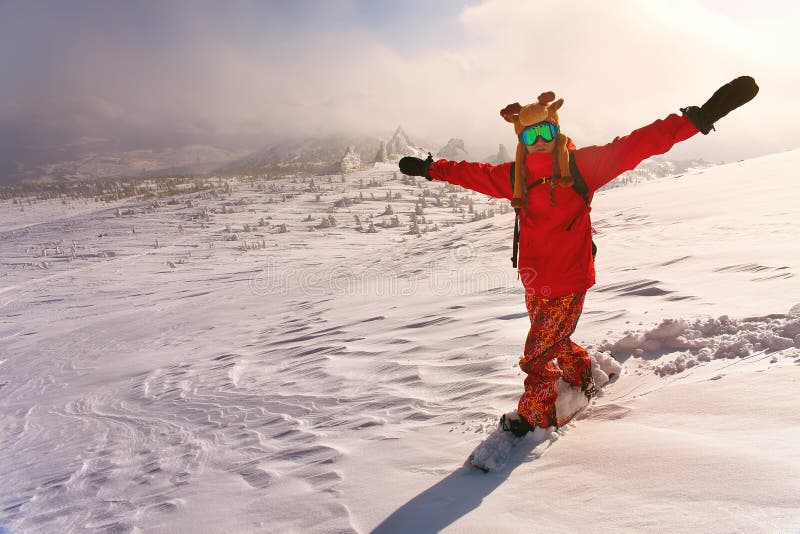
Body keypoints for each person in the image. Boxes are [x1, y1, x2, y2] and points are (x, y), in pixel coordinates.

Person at [398, 76, 759, 436]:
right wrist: (431, 169)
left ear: (555, 130)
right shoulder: (515, 176)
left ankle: (535, 416)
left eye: (545, 132)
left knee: (537, 354)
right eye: (529, 136)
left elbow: (637, 144)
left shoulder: (582, 166)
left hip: (569, 279)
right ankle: (582, 372)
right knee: (553, 339)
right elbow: (471, 174)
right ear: (521, 140)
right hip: (535, 278)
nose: (539, 141)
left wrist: (697, 118)